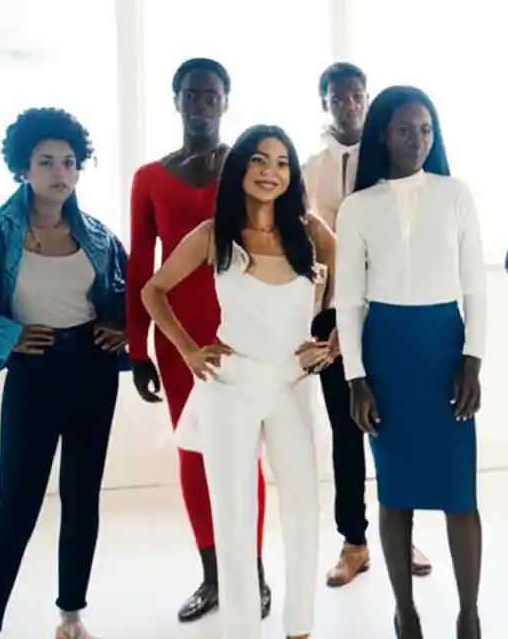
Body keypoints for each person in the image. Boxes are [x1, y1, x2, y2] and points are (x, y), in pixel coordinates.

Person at [0, 108, 128, 639]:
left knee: (83, 499)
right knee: (16, 506)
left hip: (92, 373)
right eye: (45, 162)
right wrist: (4, 336)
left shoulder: (99, 237)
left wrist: (120, 328)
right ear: (22, 169)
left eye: (69, 162)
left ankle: (71, 617)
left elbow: (129, 296)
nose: (60, 172)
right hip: (34, 373)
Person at [142, 125, 329, 639]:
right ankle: (243, 628)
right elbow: (153, 291)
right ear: (241, 167)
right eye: (260, 161)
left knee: (303, 506)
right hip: (232, 385)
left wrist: (331, 343)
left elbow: (357, 278)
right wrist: (186, 347)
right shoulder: (212, 235)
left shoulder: (308, 232)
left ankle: (300, 627)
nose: (272, 172)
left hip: (291, 383)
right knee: (234, 512)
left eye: (283, 163)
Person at [334, 86, 486, 639]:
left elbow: (476, 289)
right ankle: (406, 611)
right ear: (382, 133)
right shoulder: (358, 207)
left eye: (425, 128)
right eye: (404, 128)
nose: (417, 139)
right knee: (394, 493)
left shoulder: (455, 194)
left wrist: (472, 360)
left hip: (445, 347)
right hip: (388, 353)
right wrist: (356, 377)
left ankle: (469, 614)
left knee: (459, 493)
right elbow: (348, 301)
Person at [127, 58, 272, 621]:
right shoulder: (149, 178)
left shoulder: (249, 168)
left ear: (226, 102)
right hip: (177, 334)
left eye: (212, 95)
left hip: (241, 327)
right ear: (177, 100)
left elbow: (274, 244)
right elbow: (143, 266)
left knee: (245, 455)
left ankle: (251, 575)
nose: (202, 104)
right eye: (192, 94)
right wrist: (140, 349)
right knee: (194, 452)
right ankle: (213, 575)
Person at [302, 62, 431, 586]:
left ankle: (405, 533)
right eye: (339, 97)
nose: (349, 105)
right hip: (332, 307)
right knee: (346, 427)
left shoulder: (390, 162)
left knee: (398, 425)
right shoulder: (308, 168)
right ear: (325, 103)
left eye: (357, 96)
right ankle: (354, 541)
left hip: (394, 306)